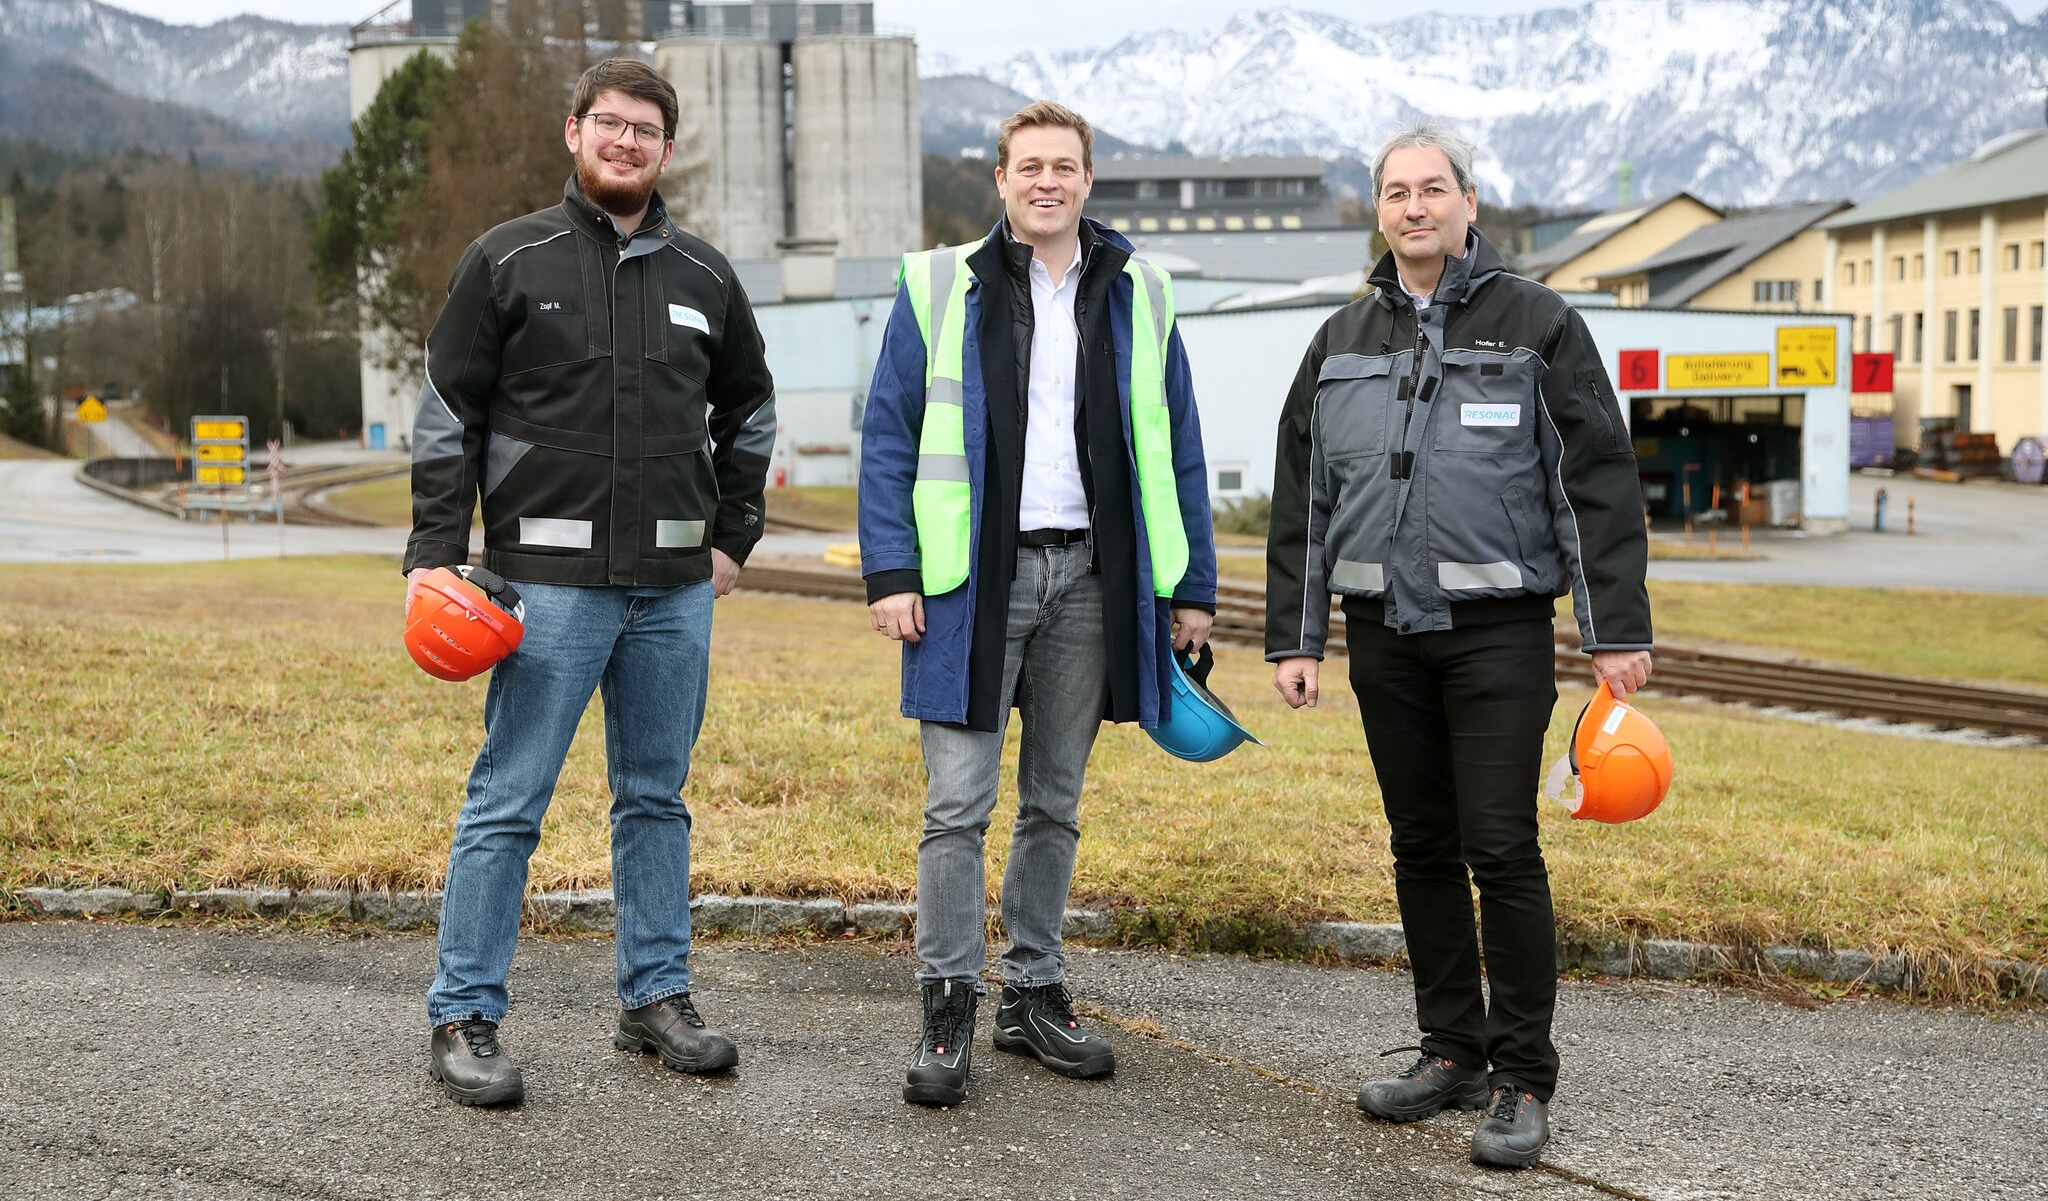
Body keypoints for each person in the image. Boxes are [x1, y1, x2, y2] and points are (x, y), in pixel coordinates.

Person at [1264, 120, 1652, 1168]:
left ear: (1467, 203)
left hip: (1497, 638)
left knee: (1499, 846)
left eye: (1432, 189)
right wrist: (1296, 637)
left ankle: (1522, 1075)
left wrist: (1610, 628)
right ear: (1378, 212)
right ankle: (1450, 1054)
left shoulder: (1536, 326)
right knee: (1419, 846)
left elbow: (1594, 482)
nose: (1414, 207)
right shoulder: (1340, 340)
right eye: (1395, 192)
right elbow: (1303, 497)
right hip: (1380, 634)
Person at [405, 57, 777, 1108]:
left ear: (666, 149)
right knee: (507, 801)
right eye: (607, 124)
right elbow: (446, 413)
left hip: (672, 590)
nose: (625, 143)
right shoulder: (506, 260)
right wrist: (436, 555)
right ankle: (463, 1013)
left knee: (654, 801)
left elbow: (748, 412)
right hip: (545, 587)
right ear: (574, 132)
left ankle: (654, 999)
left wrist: (731, 539)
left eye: (644, 131)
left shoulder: (704, 277)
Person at [858, 101, 1218, 1107]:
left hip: (1093, 582)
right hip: (969, 581)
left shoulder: (1139, 289)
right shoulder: (938, 284)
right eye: (1028, 166)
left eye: (1063, 165)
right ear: (1002, 181)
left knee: (1054, 803)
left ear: (1086, 180)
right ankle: (945, 1006)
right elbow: (888, 434)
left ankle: (1032, 993)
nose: (1045, 181)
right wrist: (889, 573)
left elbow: (1176, 441)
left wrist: (1188, 590)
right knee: (955, 807)